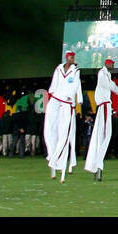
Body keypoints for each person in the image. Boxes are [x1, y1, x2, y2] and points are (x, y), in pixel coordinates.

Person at [45, 51, 81, 182]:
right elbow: (54, 83)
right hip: (55, 99)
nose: (72, 59)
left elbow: (76, 86)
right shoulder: (59, 68)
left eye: (73, 57)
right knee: (49, 128)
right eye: (71, 57)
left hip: (67, 102)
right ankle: (51, 155)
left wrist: (77, 100)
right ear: (67, 58)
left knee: (65, 133)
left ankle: (61, 163)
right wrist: (51, 93)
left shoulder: (76, 70)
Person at [85, 58, 118, 180]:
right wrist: (117, 90)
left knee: (101, 136)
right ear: (108, 64)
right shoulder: (103, 73)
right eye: (112, 63)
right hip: (105, 105)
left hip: (104, 106)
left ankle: (97, 166)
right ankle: (98, 166)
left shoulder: (106, 74)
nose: (113, 65)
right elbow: (106, 84)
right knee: (105, 135)